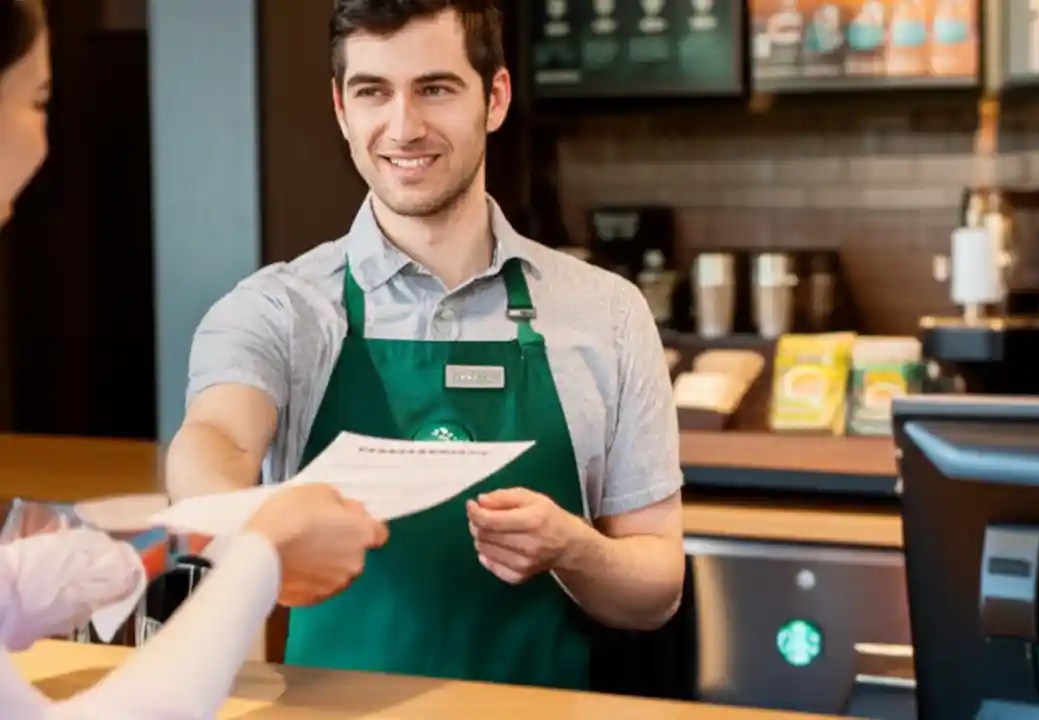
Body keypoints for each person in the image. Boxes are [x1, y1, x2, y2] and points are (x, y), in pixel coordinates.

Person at [166, 0, 686, 690]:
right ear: (341, 109)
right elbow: (214, 441)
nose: (403, 127)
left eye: (435, 89)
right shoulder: (277, 309)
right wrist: (251, 528)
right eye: (372, 92)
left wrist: (572, 547)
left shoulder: (607, 315)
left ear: (494, 98)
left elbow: (656, 591)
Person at [0, 1, 390, 715]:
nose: (45, 139)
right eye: (37, 100)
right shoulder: (274, 301)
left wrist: (28, 585)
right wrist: (257, 555)